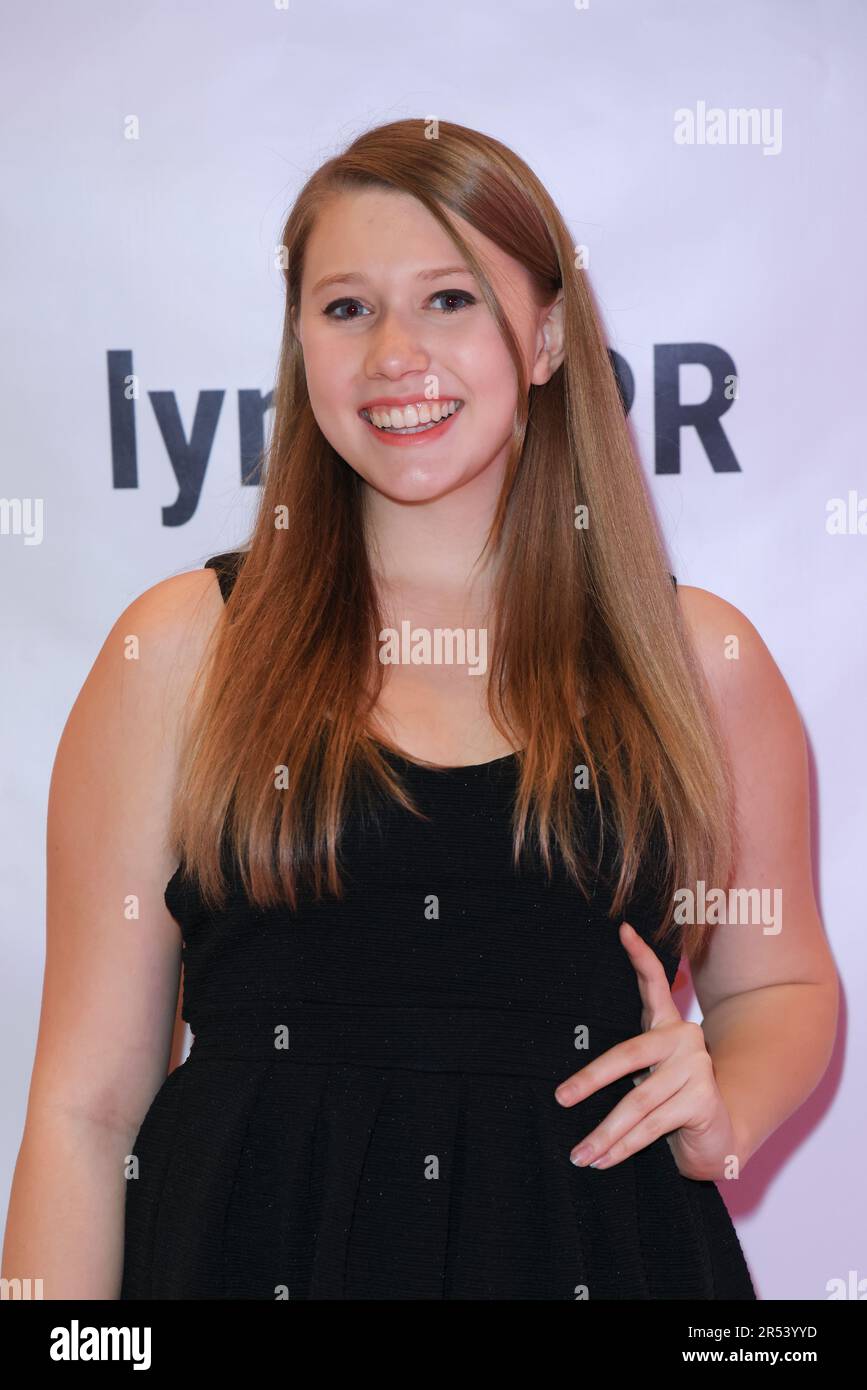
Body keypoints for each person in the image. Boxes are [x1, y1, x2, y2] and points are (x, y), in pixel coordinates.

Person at [2, 119, 837, 1300]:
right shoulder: (183, 650)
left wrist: (725, 1108)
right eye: (347, 308)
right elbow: (84, 1111)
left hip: (601, 1253)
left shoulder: (697, 659)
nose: (396, 351)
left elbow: (783, 987)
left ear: (545, 336)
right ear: (301, 344)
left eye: (449, 299)